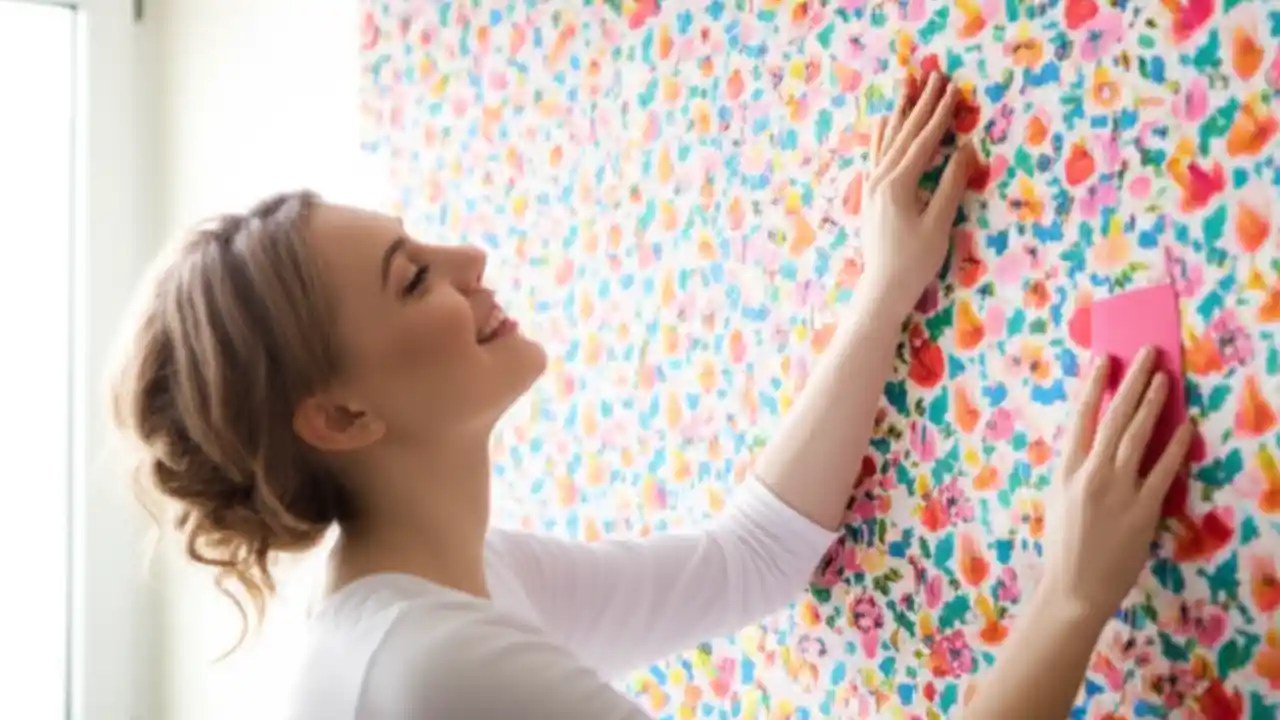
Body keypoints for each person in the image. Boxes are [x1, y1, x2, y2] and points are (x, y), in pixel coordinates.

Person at [111, 73, 1191, 719]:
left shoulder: (451, 586)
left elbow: (749, 561)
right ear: (340, 418)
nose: (468, 254)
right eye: (410, 277)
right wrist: (1068, 596)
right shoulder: (431, 669)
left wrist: (884, 287)